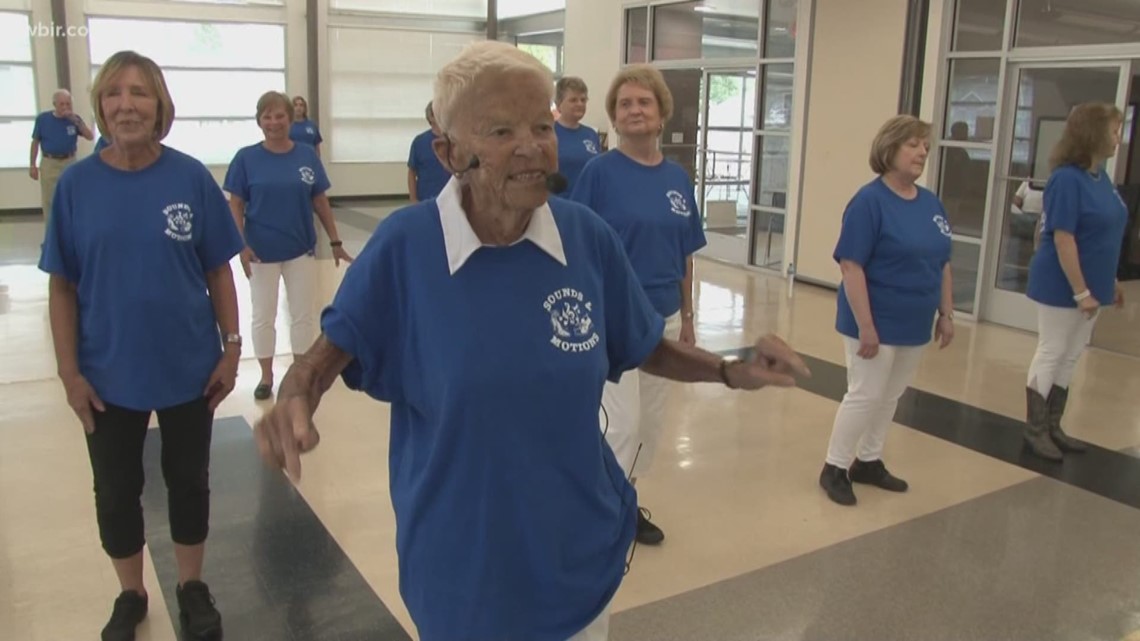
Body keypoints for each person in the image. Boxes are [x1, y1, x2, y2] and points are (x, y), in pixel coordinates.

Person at [253, 41, 810, 641]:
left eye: (541, 125)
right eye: (500, 130)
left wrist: (731, 369)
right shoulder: (406, 247)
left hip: (577, 548)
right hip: (463, 562)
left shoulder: (585, 237)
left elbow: (639, 343)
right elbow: (319, 362)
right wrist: (294, 399)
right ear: (448, 151)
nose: (531, 145)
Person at [38, 50, 241, 641]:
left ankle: (190, 585)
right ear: (99, 106)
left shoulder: (189, 177)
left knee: (190, 482)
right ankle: (130, 594)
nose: (126, 104)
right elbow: (62, 287)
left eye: (140, 93)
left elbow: (219, 272)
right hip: (107, 377)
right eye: (114, 93)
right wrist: (70, 372)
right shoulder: (77, 185)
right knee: (116, 492)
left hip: (188, 370)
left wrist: (230, 349)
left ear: (160, 106)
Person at [570, 64, 706, 545]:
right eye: (624, 103)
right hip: (614, 319)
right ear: (613, 115)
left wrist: (688, 316)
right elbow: (578, 247)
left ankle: (626, 499)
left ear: (661, 111)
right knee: (621, 425)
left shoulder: (676, 178)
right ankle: (603, 510)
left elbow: (685, 250)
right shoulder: (598, 174)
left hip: (663, 315)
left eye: (643, 102)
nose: (634, 110)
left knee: (649, 425)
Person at [818, 114, 955, 507]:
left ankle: (869, 460)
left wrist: (946, 313)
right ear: (889, 149)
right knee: (865, 393)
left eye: (925, 146)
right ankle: (835, 467)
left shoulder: (931, 204)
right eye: (913, 145)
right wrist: (867, 326)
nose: (921, 152)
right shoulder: (869, 202)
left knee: (891, 394)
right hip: (873, 319)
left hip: (915, 321)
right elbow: (851, 266)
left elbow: (943, 261)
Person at [224, 91, 353, 401]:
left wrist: (335, 240)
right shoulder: (246, 158)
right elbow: (236, 204)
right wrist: (240, 245)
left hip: (299, 249)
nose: (274, 122)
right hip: (260, 251)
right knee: (262, 315)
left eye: (279, 115)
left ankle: (299, 375)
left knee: (302, 314)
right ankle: (266, 376)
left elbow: (319, 200)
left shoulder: (306, 155)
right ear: (259, 121)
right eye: (267, 116)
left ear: (290, 119)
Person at [1023, 102, 1127, 461]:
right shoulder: (1066, 179)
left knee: (1071, 355)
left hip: (1093, 285)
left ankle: (1054, 424)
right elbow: (1064, 237)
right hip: (1062, 284)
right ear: (1093, 133)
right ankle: (1035, 429)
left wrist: (1109, 280)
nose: (1119, 139)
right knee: (1052, 350)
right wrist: (1081, 290)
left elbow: (1103, 235)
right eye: (1114, 131)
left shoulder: (1100, 178)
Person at [30, 89, 95, 221]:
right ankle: (51, 233)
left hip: (69, 161)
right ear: (54, 104)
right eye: (62, 104)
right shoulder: (43, 119)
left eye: (68, 104)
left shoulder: (74, 120)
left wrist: (76, 121)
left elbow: (89, 136)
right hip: (50, 162)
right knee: (50, 199)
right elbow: (35, 143)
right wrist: (32, 165)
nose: (65, 107)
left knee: (71, 196)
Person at [554, 76, 601, 195]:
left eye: (583, 100)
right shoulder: (549, 133)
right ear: (559, 104)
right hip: (559, 205)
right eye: (573, 100)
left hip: (587, 205)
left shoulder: (591, 134)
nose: (579, 104)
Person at [406, 101, 450, 203]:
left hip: (449, 198)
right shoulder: (419, 142)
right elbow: (411, 172)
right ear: (430, 117)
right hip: (425, 198)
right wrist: (413, 199)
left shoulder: (454, 140)